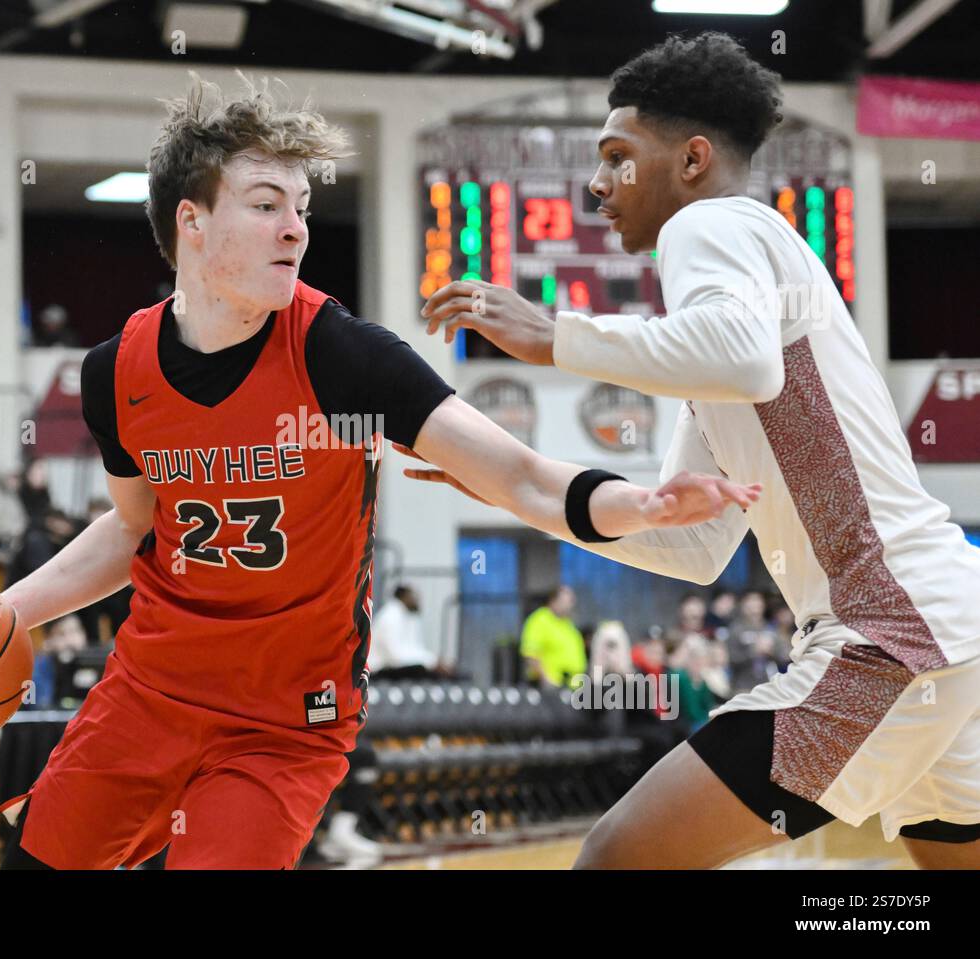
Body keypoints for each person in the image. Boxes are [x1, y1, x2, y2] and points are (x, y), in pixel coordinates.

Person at [0, 74, 755, 871]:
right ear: (191, 220)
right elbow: (133, 525)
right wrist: (5, 610)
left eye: (302, 210)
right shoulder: (117, 372)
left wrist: (642, 502)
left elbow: (521, 476)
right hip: (147, 695)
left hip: (284, 724)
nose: (295, 230)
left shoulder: (341, 354)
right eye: (265, 206)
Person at [415, 32, 980, 867]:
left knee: (615, 859)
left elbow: (741, 353)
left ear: (692, 159)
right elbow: (691, 542)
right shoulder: (732, 306)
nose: (598, 184)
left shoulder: (710, 223)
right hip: (949, 626)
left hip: (890, 630)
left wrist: (553, 334)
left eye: (617, 156)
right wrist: (510, 488)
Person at [366, 584, 444, 679]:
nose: (417, 600)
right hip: (379, 669)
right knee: (422, 671)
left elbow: (412, 648)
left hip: (392, 666)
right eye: (413, 596)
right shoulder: (391, 616)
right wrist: (431, 662)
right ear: (403, 597)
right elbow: (395, 656)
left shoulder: (407, 616)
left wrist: (432, 661)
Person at [520, 586, 587, 687]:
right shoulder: (540, 620)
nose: (570, 605)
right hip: (550, 688)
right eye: (566, 601)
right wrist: (546, 680)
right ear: (553, 601)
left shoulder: (568, 624)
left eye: (572, 601)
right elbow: (531, 654)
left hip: (573, 687)